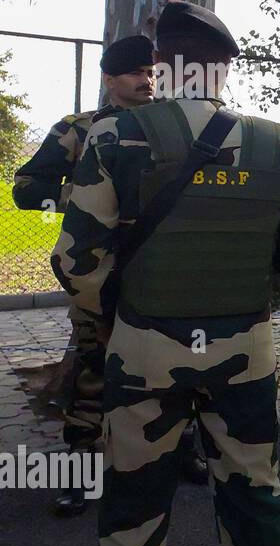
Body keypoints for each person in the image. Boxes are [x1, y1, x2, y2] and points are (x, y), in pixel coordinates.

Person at [52, 1, 280, 546]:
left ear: (161, 64)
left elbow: (75, 263)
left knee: (133, 503)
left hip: (142, 350)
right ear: (224, 68)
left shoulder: (111, 137)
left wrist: (117, 320)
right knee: (254, 492)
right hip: (245, 351)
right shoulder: (275, 143)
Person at [12, 35, 206, 516]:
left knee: (174, 363)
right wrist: (87, 200)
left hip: (164, 271)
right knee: (93, 370)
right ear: (109, 79)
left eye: (153, 72)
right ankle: (80, 471)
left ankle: (181, 447)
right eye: (136, 72)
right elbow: (26, 188)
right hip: (98, 272)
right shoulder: (78, 129)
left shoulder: (171, 126)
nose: (147, 81)